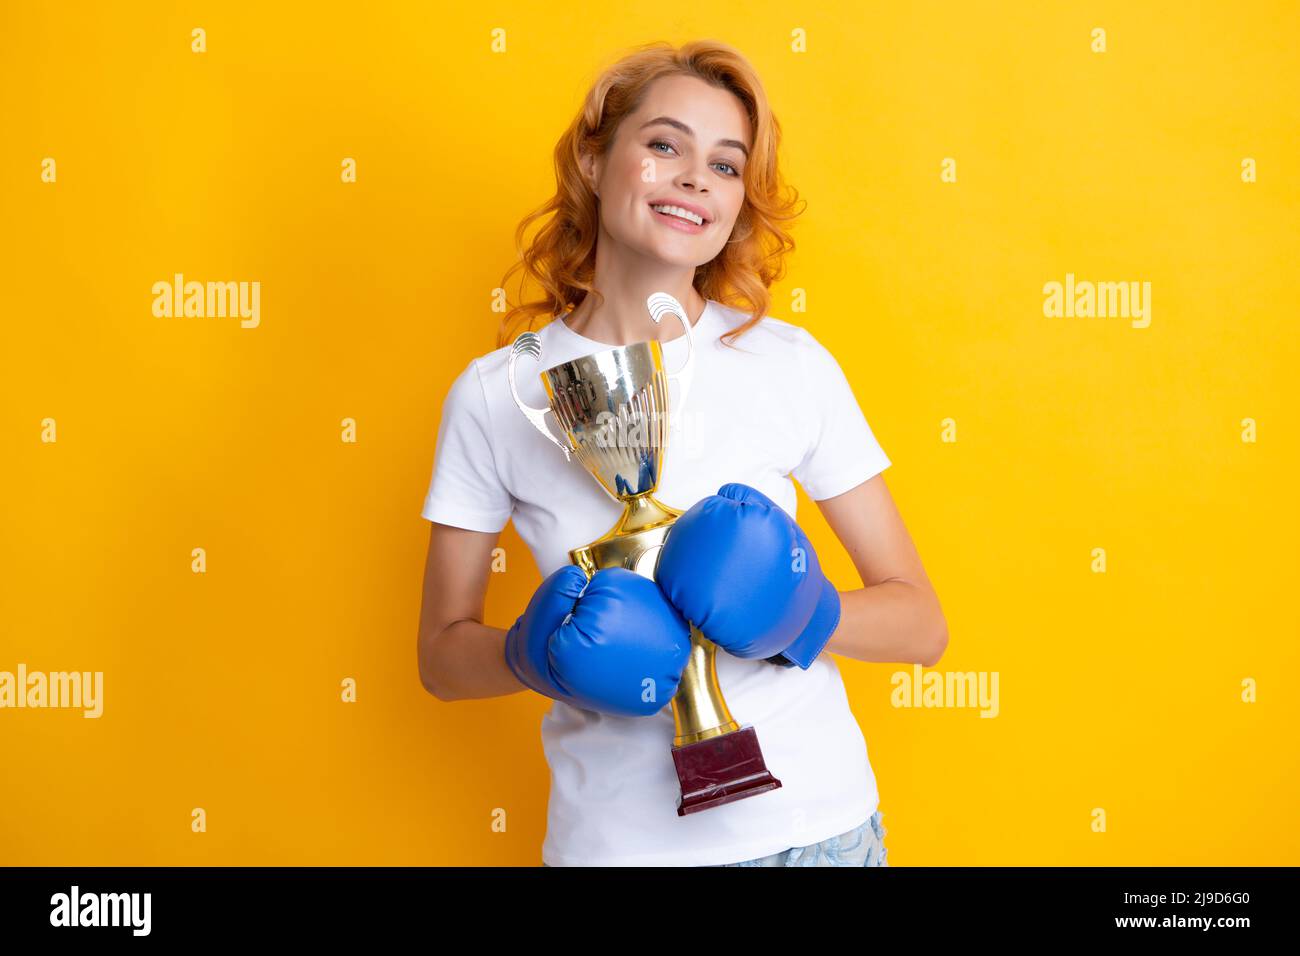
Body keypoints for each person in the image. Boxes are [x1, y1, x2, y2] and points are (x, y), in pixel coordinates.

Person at [416, 39, 947, 867]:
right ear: (594, 160)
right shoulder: (498, 394)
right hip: (616, 850)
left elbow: (922, 625)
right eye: (664, 145)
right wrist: (533, 651)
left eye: (726, 165)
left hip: (818, 837)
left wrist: (808, 613)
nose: (697, 178)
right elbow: (443, 660)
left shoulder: (786, 364)